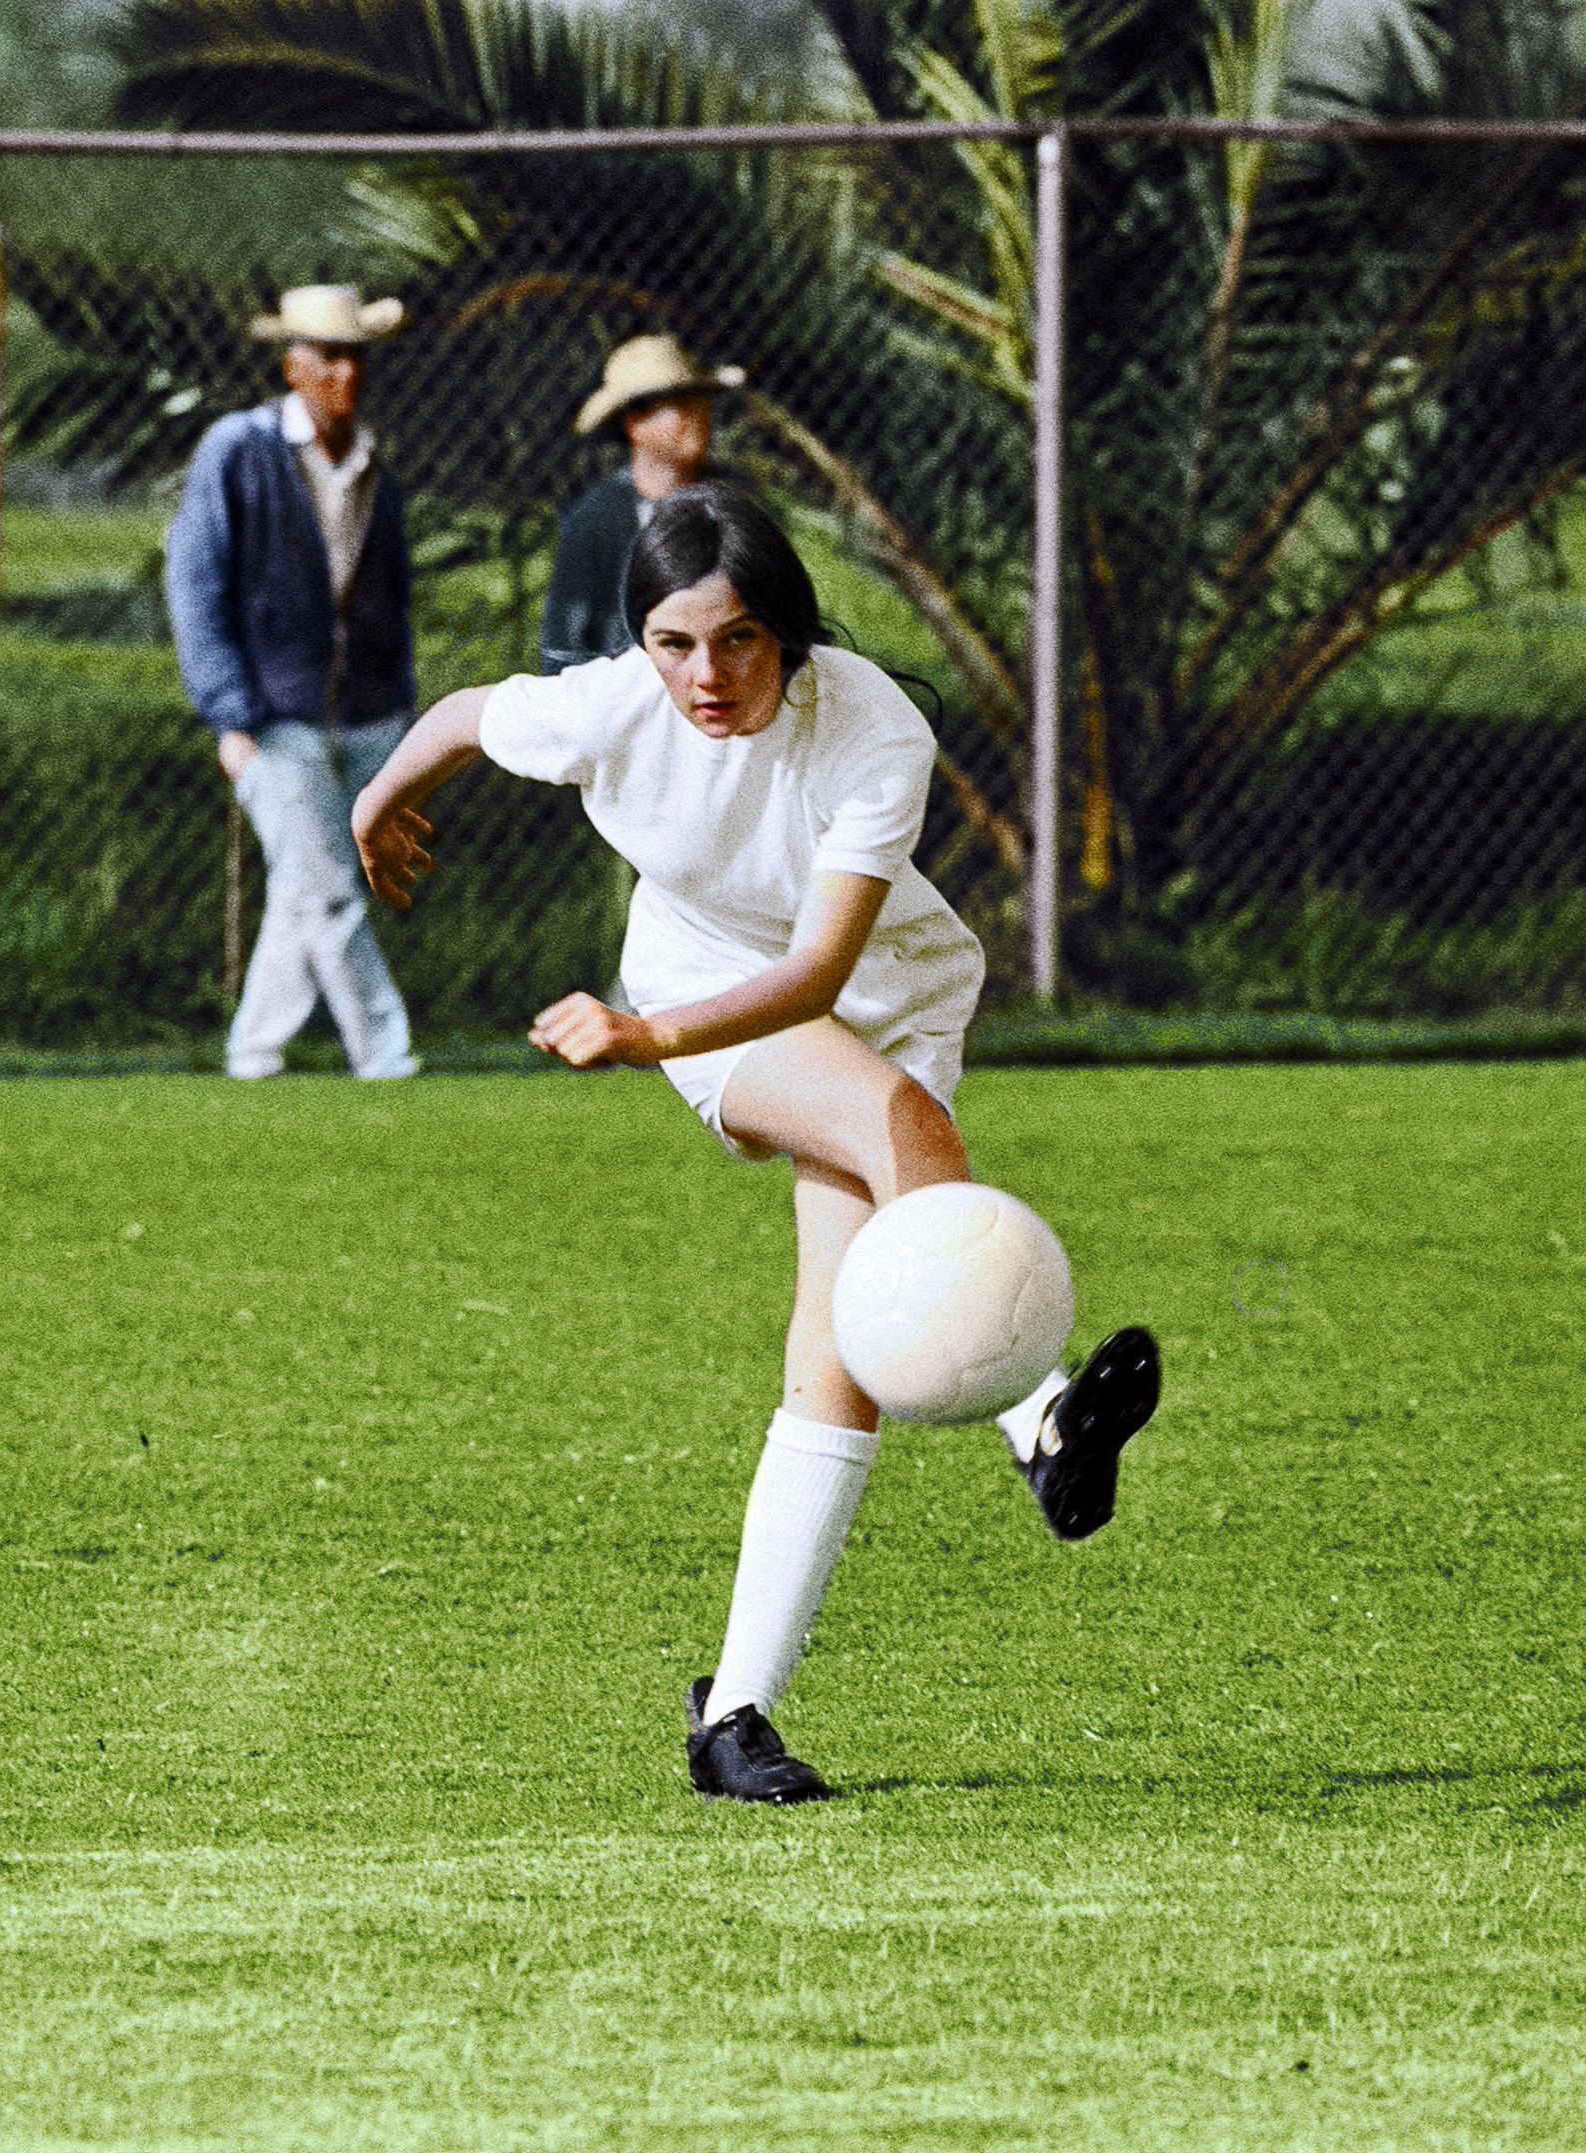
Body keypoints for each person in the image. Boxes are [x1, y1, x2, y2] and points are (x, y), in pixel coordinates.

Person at [354, 482, 1161, 1805]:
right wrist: (378, 802)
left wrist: (637, 1039)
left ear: (787, 633)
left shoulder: (869, 728)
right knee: (901, 1129)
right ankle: (1039, 1415)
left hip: (873, 1000)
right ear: (642, 642)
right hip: (702, 993)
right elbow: (459, 717)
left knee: (838, 1357)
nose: (705, 674)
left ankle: (732, 1717)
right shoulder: (612, 703)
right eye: (673, 643)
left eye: (736, 641)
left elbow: (820, 968)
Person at [166, 283, 422, 1082]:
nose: (344, 373)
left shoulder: (373, 460)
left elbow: (389, 593)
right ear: (291, 366)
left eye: (355, 358)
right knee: (329, 888)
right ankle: (386, 1053)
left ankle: (253, 1053)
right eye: (328, 358)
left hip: (368, 712)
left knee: (302, 894)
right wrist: (228, 716)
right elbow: (194, 583)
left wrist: (401, 702)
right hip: (273, 716)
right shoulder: (237, 451)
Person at [538, 333, 743, 673]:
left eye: (699, 399)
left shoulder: (733, 502)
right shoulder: (597, 519)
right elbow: (563, 646)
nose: (697, 416)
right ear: (635, 423)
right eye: (677, 405)